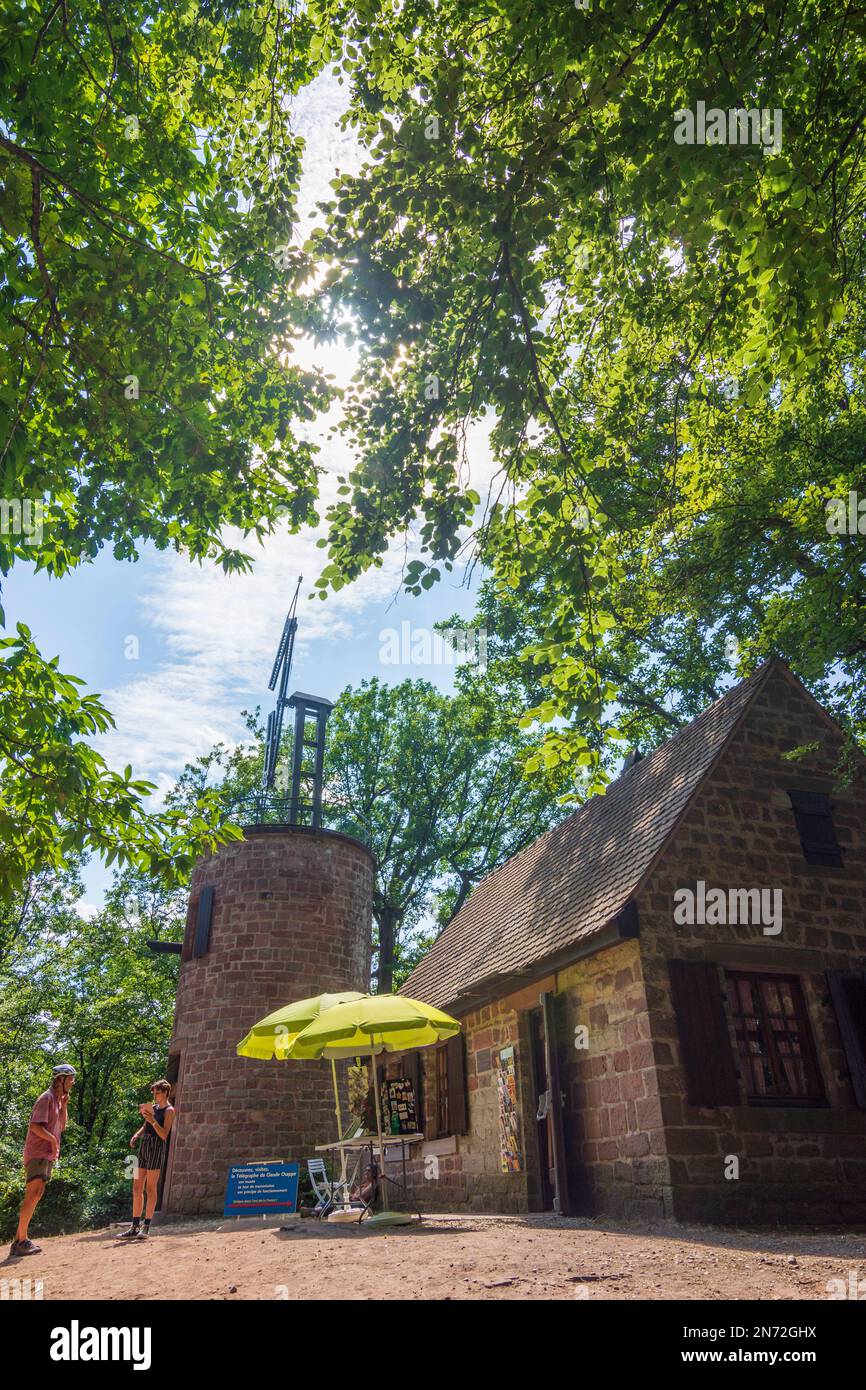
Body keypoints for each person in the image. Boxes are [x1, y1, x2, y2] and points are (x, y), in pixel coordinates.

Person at [10, 1063, 76, 1257]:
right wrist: (53, 1141)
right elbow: (35, 1127)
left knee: (37, 1193)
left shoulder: (56, 1100)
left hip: (46, 1154)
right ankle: (21, 1241)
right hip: (37, 1153)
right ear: (61, 1079)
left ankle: (18, 1240)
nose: (73, 1082)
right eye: (70, 1078)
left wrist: (64, 1106)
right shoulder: (46, 1098)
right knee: (33, 1193)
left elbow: (62, 1126)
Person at [118, 1080, 175, 1240]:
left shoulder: (169, 1110)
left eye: (157, 1093)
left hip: (157, 1147)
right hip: (145, 1145)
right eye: (153, 1093)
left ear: (165, 1093)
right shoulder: (153, 1108)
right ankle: (134, 1226)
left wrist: (153, 1121)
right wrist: (137, 1134)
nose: (155, 1096)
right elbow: (145, 1126)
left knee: (150, 1188)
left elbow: (164, 1135)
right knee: (136, 1187)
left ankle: (147, 1226)